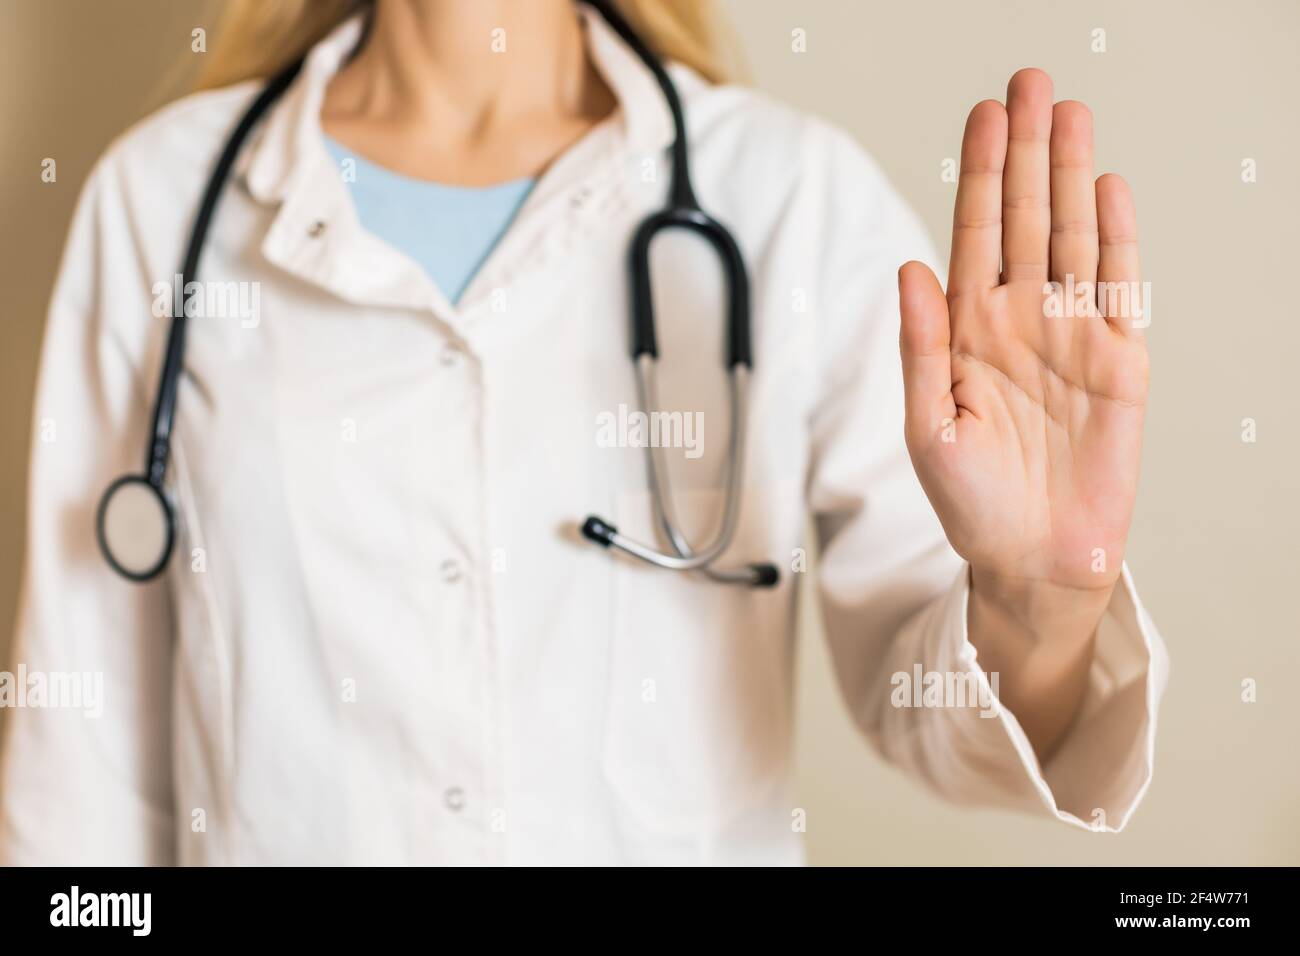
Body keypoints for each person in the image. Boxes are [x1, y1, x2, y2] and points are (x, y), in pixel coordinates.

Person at [0, 0, 1167, 865]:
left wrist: (1036, 598)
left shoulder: (787, 197)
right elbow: (77, 780)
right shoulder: (161, 202)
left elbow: (938, 720)